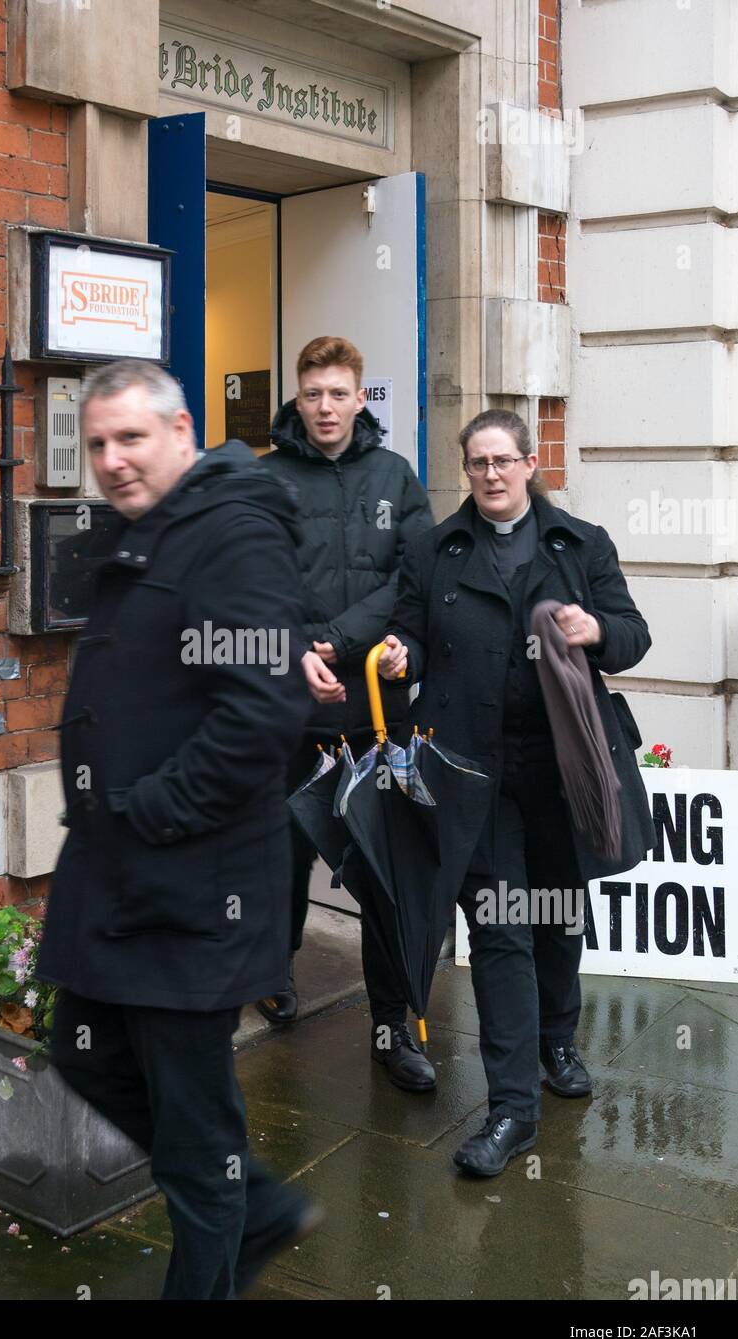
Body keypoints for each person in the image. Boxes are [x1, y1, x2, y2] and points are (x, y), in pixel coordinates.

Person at [37, 359, 319, 1298]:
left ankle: (230, 1238)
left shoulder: (230, 533)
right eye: (99, 443)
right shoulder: (150, 531)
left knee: (198, 1155)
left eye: (132, 438)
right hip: (123, 881)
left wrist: (154, 809)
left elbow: (261, 711)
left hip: (191, 889)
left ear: (181, 431)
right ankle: (263, 1207)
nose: (113, 461)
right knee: (78, 1040)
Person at [378, 408, 654, 1176]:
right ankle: (510, 1112)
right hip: (474, 774)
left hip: (562, 773)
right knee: (498, 930)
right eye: (477, 464)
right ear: (465, 471)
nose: (491, 475)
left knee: (556, 916)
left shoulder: (580, 544)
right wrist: (400, 656)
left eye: (503, 461)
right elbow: (411, 636)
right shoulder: (437, 550)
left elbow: (633, 636)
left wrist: (595, 630)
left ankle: (556, 1040)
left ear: (531, 464)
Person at [259, 335, 436, 1096]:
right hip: (287, 707)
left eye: (338, 392)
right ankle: (273, 972)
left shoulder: (394, 474)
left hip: (373, 712)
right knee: (280, 854)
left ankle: (392, 1028)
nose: (325, 407)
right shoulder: (264, 478)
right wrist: (302, 649)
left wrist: (340, 639)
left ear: (359, 396)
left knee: (381, 873)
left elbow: (416, 579)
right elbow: (248, 582)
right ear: (296, 399)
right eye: (312, 393)